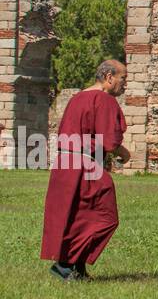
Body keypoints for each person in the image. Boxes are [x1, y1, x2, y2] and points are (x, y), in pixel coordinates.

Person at [40, 59, 131, 280]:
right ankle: (64, 264)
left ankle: (75, 268)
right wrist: (124, 153)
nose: (124, 84)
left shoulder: (77, 98)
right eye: (123, 78)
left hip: (64, 164)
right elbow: (109, 142)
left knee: (76, 216)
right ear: (109, 77)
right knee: (105, 217)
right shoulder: (103, 100)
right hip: (86, 165)